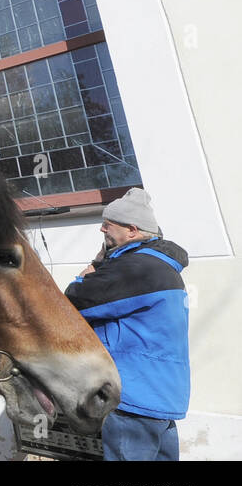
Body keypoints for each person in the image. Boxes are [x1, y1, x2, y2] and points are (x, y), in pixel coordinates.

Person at [64, 189, 189, 461]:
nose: (102, 228)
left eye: (109, 224)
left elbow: (72, 304)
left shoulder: (135, 268)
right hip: (163, 397)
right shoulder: (163, 268)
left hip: (134, 398)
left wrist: (90, 269)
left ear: (132, 230)